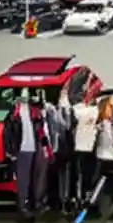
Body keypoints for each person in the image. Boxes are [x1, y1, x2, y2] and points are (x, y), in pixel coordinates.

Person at [2, 88, 50, 223]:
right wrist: (10, 152)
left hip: (33, 149)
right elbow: (7, 134)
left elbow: (40, 130)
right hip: (22, 151)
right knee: (23, 182)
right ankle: (23, 210)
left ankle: (32, 206)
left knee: (33, 181)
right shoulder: (14, 114)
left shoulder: (33, 112)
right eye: (24, 96)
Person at [44, 80, 76, 214]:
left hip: (59, 148)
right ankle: (58, 202)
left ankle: (60, 201)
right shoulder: (51, 110)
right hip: (57, 147)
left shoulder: (56, 109)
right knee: (58, 176)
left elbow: (66, 126)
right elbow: (65, 126)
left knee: (59, 175)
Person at [72, 88, 100, 206]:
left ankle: (78, 197)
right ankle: (84, 196)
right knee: (87, 174)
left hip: (79, 146)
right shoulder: (94, 110)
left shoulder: (77, 110)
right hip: (89, 147)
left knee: (79, 174)